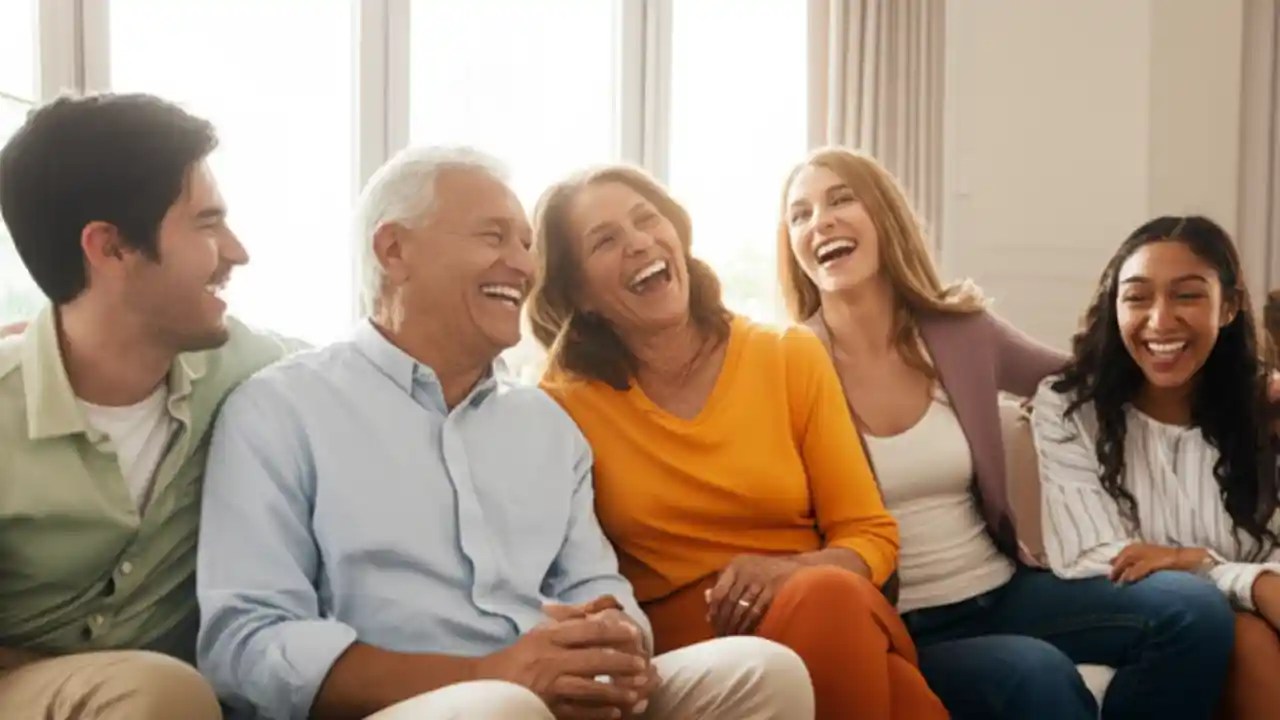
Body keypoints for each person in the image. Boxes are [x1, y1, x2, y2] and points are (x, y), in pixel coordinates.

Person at [196, 146, 815, 720]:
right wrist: (489, 674)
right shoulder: (280, 408)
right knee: (498, 708)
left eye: (525, 243)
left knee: (762, 672)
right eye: (494, 237)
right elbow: (246, 641)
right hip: (417, 706)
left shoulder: (547, 426)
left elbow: (596, 585)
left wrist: (612, 645)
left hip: (551, 696)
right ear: (394, 251)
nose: (524, 265)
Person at [778, 147, 1235, 720]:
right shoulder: (787, 364)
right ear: (792, 246)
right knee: (1035, 675)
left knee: (1195, 610)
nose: (820, 221)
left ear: (883, 215)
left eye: (841, 198)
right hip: (901, 622)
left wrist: (1252, 382)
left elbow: (1089, 380)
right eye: (800, 214)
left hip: (1004, 589)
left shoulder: (959, 330)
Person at [528, 164, 946, 720]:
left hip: (825, 600)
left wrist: (789, 572)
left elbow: (868, 533)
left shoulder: (787, 355)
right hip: (691, 638)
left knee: (828, 602)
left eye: (646, 219)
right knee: (900, 692)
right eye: (605, 241)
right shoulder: (561, 404)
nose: (638, 242)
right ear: (577, 292)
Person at [0, 93, 295, 718]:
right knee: (159, 691)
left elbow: (368, 367)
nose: (237, 251)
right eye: (207, 224)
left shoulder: (252, 370)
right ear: (110, 248)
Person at [1033, 215, 1280, 719]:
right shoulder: (1071, 409)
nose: (1160, 321)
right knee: (1246, 634)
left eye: (1187, 296)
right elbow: (1091, 554)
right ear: (1114, 306)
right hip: (1154, 622)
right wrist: (1246, 582)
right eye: (1137, 296)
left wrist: (1206, 566)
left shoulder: (1266, 408)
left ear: (1228, 307)